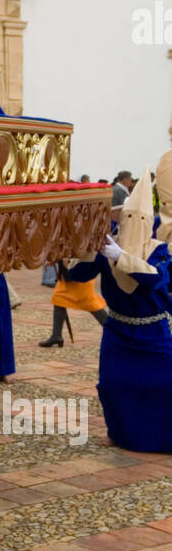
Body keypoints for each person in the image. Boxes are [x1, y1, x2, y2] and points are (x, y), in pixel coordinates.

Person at [67, 168, 172, 453]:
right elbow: (78, 276)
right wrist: (90, 245)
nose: (133, 222)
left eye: (139, 218)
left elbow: (153, 279)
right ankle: (121, 433)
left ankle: (163, 437)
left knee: (165, 383)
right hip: (118, 331)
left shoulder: (159, 250)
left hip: (153, 331)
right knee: (114, 385)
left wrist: (121, 257)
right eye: (128, 217)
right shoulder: (109, 246)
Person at [39, 262, 107, 348]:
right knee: (58, 298)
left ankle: (115, 331)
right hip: (67, 274)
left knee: (91, 304)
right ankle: (56, 335)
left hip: (80, 273)